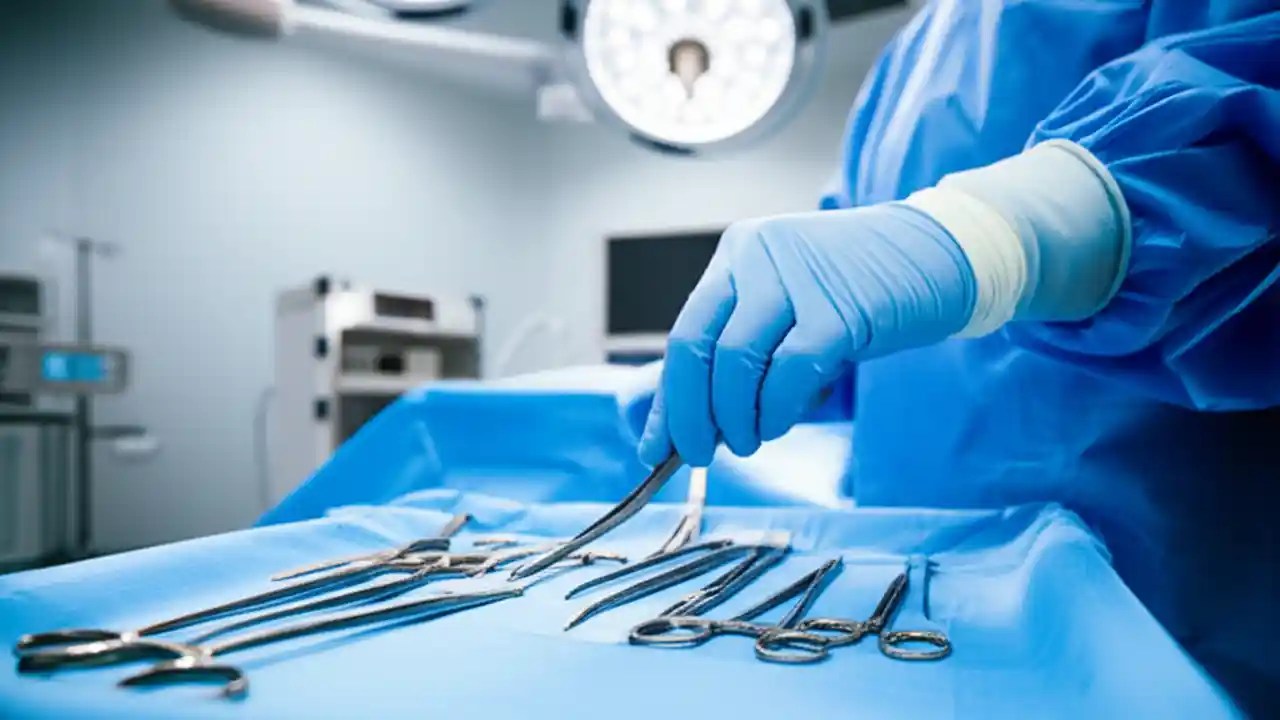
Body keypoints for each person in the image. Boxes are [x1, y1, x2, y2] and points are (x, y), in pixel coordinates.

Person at [635, 2, 1280, 716]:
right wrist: (770, 358)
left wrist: (1016, 234)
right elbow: (894, 356)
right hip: (907, 625)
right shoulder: (910, 59)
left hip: (1172, 624)